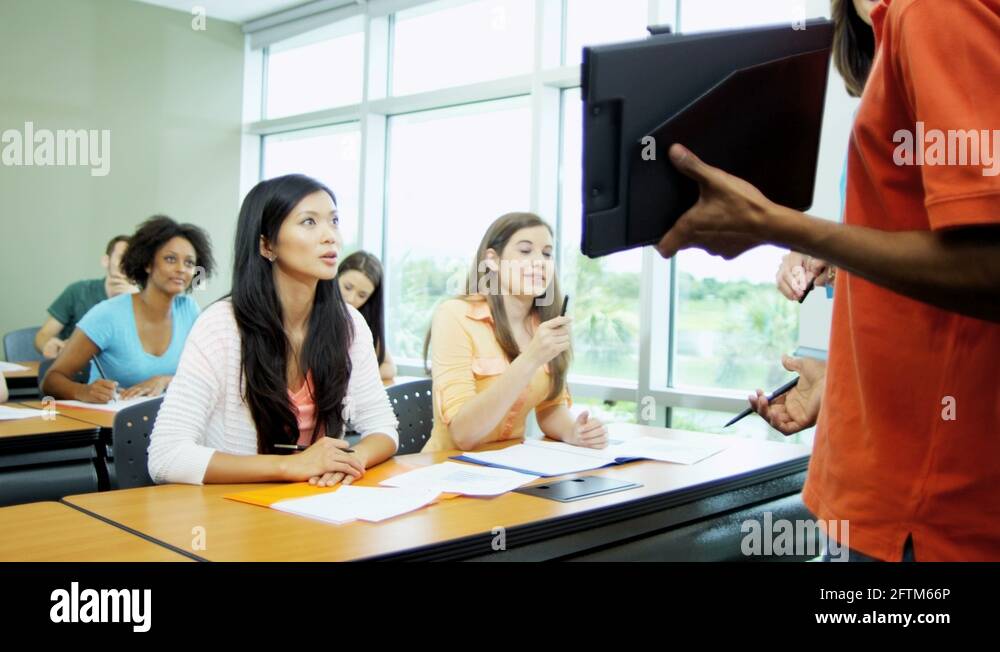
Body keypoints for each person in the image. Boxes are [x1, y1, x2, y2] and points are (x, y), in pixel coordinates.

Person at [657, 0, 1000, 560]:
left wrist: (775, 224)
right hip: (890, 483)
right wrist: (845, 383)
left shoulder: (938, 10)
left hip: (928, 510)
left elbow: (988, 267)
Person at [148, 174, 398, 487]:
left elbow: (384, 428)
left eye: (334, 220)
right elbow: (166, 457)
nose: (331, 236)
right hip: (233, 511)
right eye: (309, 222)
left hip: (318, 505)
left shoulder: (348, 324)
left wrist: (351, 460)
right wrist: (290, 467)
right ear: (267, 244)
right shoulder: (222, 326)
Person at [422, 211, 608, 453]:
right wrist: (531, 358)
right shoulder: (455, 315)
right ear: (493, 260)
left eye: (547, 254)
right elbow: (463, 434)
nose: (539, 261)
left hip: (510, 468)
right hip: (448, 467)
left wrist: (574, 432)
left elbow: (550, 406)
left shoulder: (542, 324)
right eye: (525, 251)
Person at [42, 216, 214, 402]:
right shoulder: (108, 314)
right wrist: (83, 391)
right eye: (170, 259)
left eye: (189, 263)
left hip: (166, 421)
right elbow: (51, 381)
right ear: (148, 263)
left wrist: (164, 380)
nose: (181, 269)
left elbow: (207, 376)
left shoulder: (190, 311)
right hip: (110, 423)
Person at [34, 235, 136, 359]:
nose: (127, 264)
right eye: (122, 257)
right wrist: (48, 345)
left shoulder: (143, 298)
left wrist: (135, 299)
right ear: (106, 261)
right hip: (77, 369)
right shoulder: (78, 291)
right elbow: (43, 335)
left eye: (133, 259)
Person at [337, 251, 396, 381]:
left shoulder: (362, 321)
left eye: (362, 295)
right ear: (336, 277)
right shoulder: (314, 309)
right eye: (347, 287)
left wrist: (354, 379)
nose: (351, 299)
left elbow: (389, 367)